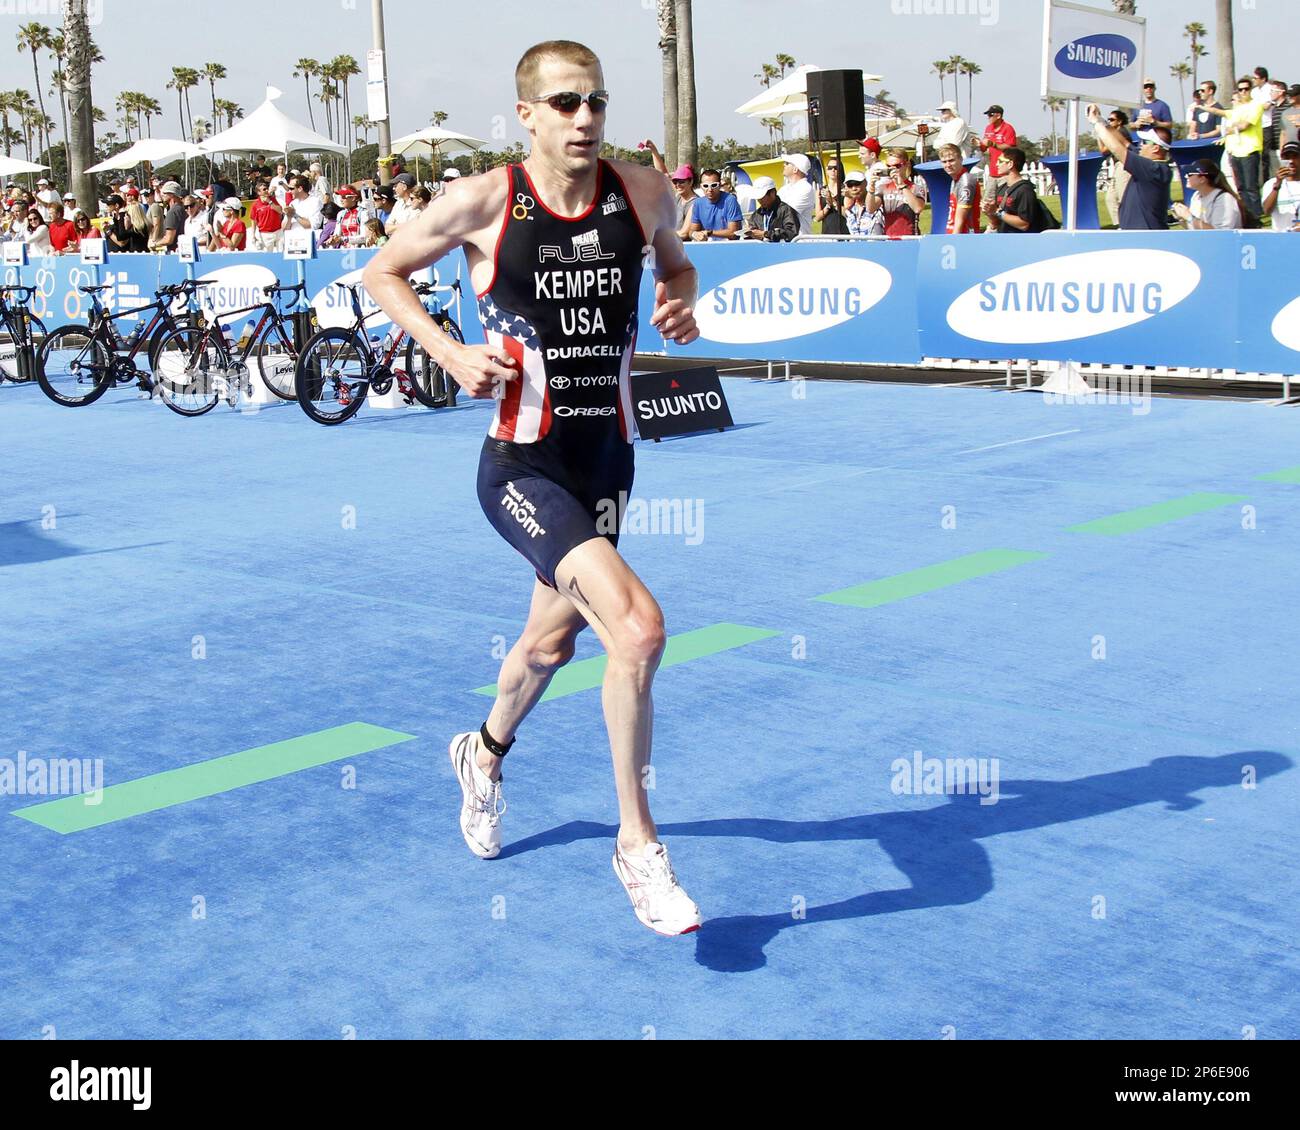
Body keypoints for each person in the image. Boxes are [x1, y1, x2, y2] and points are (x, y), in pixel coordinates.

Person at [361, 38, 702, 936]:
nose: (584, 118)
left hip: (608, 459)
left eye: (594, 101)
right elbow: (380, 272)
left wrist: (682, 296)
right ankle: (638, 846)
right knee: (637, 630)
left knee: (550, 648)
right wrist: (445, 349)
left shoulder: (643, 191)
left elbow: (676, 261)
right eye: (563, 104)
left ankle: (482, 752)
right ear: (527, 114)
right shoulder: (483, 202)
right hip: (521, 465)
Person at [1088, 105, 1172, 231]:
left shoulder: (1154, 169)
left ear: (1155, 148)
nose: (1141, 145)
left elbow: (1117, 149)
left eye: (1145, 142)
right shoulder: (1150, 163)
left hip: (1145, 236)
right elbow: (1124, 142)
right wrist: (1101, 120)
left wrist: (1095, 123)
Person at [1200, 78, 1266, 220]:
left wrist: (1230, 129)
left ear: (1250, 90)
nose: (1243, 92)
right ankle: (1247, 215)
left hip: (1249, 151)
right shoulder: (1237, 109)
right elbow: (1221, 112)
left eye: (1246, 89)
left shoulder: (1255, 106)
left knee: (1251, 187)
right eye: (1240, 89)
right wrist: (1202, 108)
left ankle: (1257, 215)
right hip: (1235, 152)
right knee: (1241, 187)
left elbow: (1245, 126)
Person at [1173, 158, 1246, 230]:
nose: (1186, 176)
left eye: (1190, 174)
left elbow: (1220, 234)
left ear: (1202, 179)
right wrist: (1182, 219)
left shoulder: (1224, 199)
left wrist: (1188, 216)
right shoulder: (1196, 196)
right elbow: (1196, 229)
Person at [980, 147, 1040, 233]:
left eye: (1000, 161)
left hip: (1020, 241)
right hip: (1004, 238)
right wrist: (989, 212)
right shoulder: (1002, 188)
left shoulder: (1025, 190)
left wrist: (997, 211)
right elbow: (997, 222)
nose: (997, 164)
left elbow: (1024, 224)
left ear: (1010, 164)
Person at [868, 148, 927, 237]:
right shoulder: (884, 187)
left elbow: (918, 208)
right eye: (889, 166)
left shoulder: (915, 188)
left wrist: (902, 185)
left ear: (907, 164)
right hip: (889, 238)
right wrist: (871, 188)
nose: (893, 170)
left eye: (897, 166)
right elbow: (870, 209)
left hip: (910, 239)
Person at [686, 169, 742, 241]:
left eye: (714, 185)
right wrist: (695, 234)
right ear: (701, 186)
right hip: (706, 247)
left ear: (720, 185)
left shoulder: (730, 200)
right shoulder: (698, 203)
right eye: (705, 186)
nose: (710, 189)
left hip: (728, 247)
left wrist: (709, 233)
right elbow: (692, 232)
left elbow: (733, 233)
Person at [937, 144, 981, 234]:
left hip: (964, 236)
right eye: (944, 162)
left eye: (951, 160)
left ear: (960, 159)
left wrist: (954, 240)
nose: (948, 165)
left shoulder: (966, 181)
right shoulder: (955, 179)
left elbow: (960, 218)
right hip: (953, 233)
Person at [741, 175, 800, 241]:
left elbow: (791, 233)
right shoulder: (756, 214)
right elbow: (751, 236)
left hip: (782, 250)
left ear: (772, 193)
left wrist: (766, 234)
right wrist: (749, 234)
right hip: (761, 249)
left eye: (762, 197)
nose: (759, 200)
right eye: (757, 197)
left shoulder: (786, 210)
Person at [978, 104, 1017, 199]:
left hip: (1005, 172)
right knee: (987, 203)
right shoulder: (988, 128)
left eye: (990, 115)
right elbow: (984, 148)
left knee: (1004, 202)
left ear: (998, 116)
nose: (988, 117)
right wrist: (979, 144)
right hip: (993, 172)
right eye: (988, 115)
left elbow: (1010, 147)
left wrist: (993, 144)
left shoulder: (1008, 128)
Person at [1261, 140, 1300, 231]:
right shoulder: (1271, 184)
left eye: (1295, 157)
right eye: (1287, 157)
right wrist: (1277, 184)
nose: (1291, 161)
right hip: (1281, 238)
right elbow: (1267, 211)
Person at [777, 153, 816, 235]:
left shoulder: (806, 188)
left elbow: (786, 213)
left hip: (799, 241)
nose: (784, 165)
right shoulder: (784, 189)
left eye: (787, 163)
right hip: (783, 239)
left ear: (795, 169)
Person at [841, 170, 884, 236]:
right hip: (855, 245)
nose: (854, 188)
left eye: (857, 184)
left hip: (876, 244)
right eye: (850, 185)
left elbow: (872, 206)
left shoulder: (876, 200)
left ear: (865, 183)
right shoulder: (850, 208)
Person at [813, 158, 846, 235]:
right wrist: (828, 206)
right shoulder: (820, 191)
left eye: (836, 168)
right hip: (827, 233)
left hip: (844, 232)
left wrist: (833, 202)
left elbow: (848, 213)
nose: (833, 170)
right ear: (827, 170)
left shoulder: (845, 189)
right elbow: (817, 218)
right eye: (830, 168)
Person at [1135, 80, 1175, 145]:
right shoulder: (1138, 105)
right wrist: (1136, 124)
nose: (1148, 89)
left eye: (1151, 86)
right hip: (1141, 143)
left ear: (1155, 88)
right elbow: (1131, 124)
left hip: (1157, 143)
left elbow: (1169, 125)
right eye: (1146, 87)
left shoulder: (1162, 105)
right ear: (1142, 89)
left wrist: (1154, 122)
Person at [249, 180, 284, 251]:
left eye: (267, 188)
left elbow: (280, 211)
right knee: (268, 255)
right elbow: (253, 220)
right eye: (264, 189)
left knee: (281, 254)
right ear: (259, 192)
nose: (267, 190)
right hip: (265, 234)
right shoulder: (255, 205)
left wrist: (270, 202)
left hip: (278, 231)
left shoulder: (273, 200)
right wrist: (253, 235)